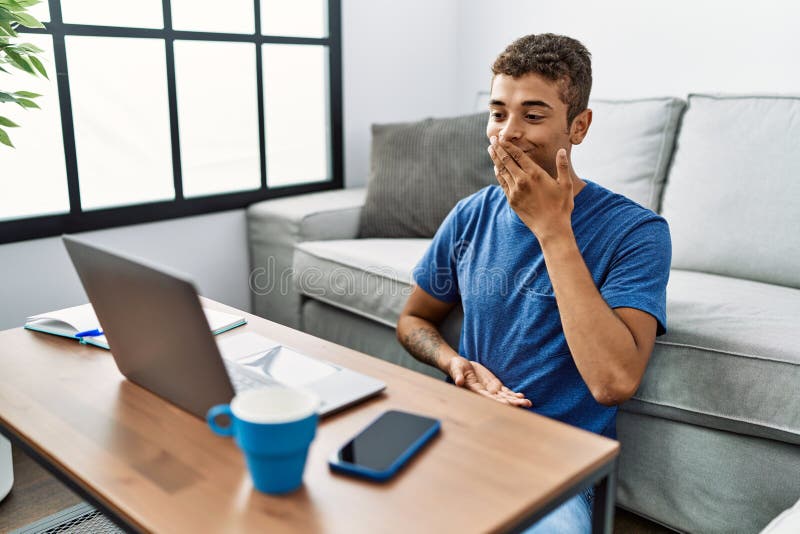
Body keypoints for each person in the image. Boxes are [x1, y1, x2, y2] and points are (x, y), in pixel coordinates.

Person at [396, 33, 672, 533]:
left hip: (557, 466)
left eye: (534, 115)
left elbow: (614, 382)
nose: (508, 133)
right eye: (499, 113)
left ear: (579, 126)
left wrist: (552, 230)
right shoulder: (469, 216)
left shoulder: (637, 232)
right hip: (459, 433)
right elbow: (414, 319)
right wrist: (453, 362)